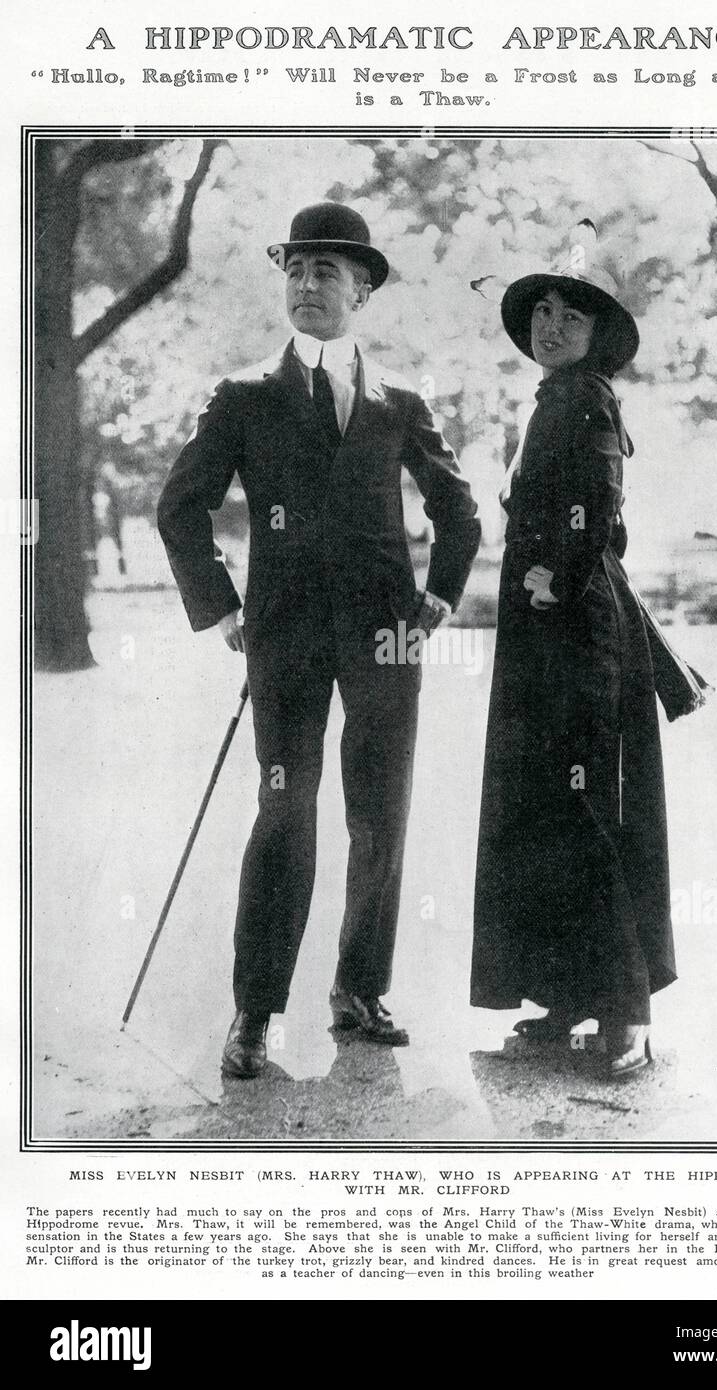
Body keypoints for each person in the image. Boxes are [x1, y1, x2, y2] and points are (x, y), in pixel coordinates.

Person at [158, 202, 481, 1078]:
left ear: (362, 290)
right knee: (283, 810)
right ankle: (254, 1014)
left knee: (379, 816)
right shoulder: (244, 396)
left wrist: (440, 599)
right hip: (285, 638)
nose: (306, 285)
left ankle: (359, 992)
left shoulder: (398, 403)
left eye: (326, 271)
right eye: (296, 269)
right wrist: (221, 607)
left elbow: (459, 510)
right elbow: (179, 504)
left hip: (386, 640)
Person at [469, 259, 676, 1078]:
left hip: (580, 631)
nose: (550, 327)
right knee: (548, 810)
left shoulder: (585, 397)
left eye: (570, 318)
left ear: (596, 339)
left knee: (592, 810)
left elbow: (600, 501)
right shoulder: (552, 398)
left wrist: (556, 569)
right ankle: (565, 997)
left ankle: (627, 1016)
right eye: (542, 314)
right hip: (544, 628)